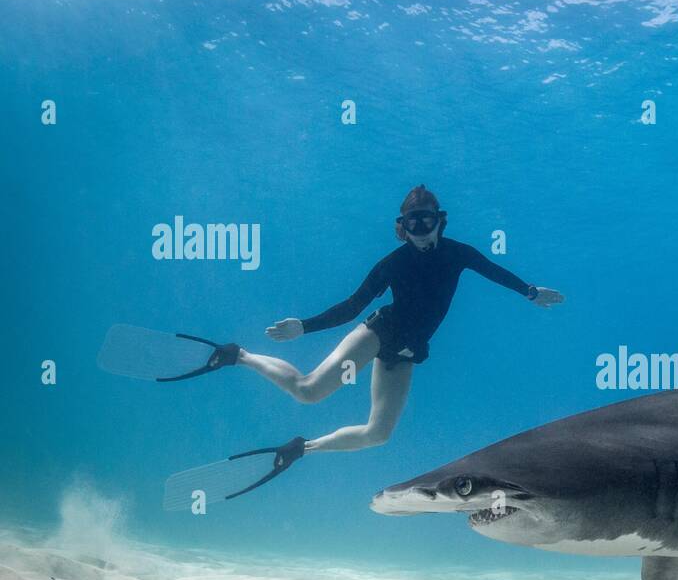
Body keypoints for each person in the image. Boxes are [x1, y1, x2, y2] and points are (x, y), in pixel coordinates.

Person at [226, 185, 562, 471]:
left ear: (439, 221)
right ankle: (240, 355)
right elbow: (353, 305)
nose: (421, 230)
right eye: (413, 223)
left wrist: (530, 292)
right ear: (403, 227)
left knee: (379, 433)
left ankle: (302, 448)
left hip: (408, 350)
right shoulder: (393, 263)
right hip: (379, 333)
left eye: (426, 220)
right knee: (308, 391)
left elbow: (493, 271)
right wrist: (304, 326)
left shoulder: (459, 253)